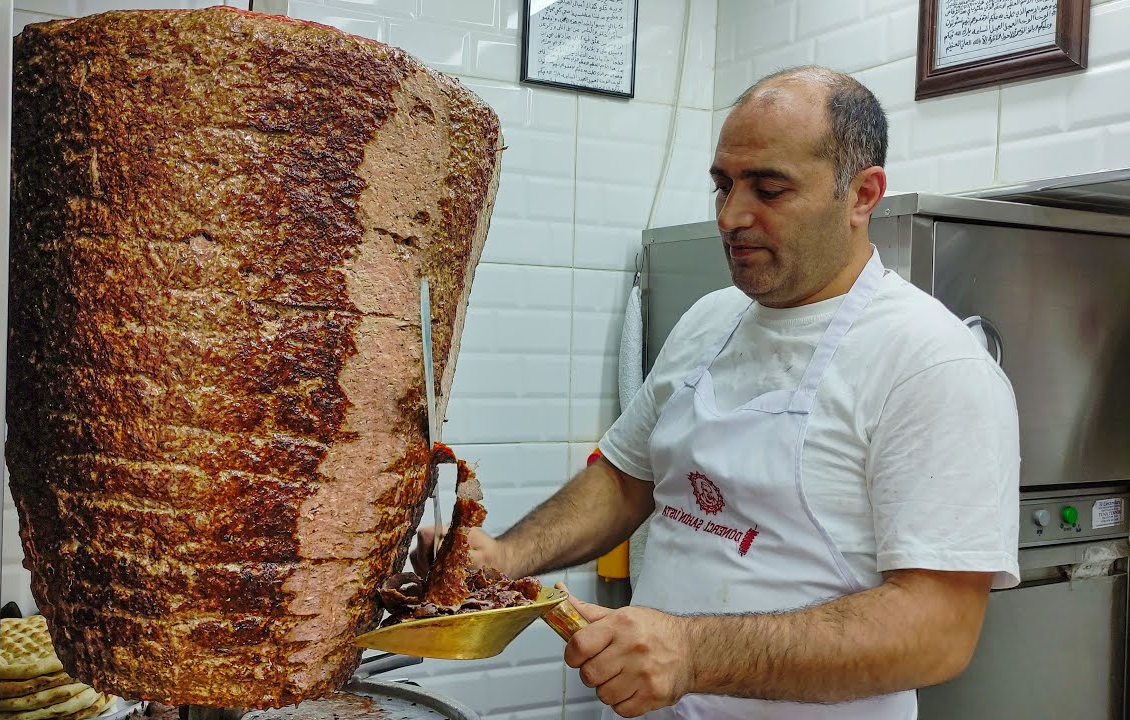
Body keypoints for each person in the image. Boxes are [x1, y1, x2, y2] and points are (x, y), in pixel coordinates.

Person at [412, 65, 1020, 719]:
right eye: (723, 185)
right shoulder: (710, 319)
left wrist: (693, 653)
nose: (731, 216)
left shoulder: (930, 364)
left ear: (862, 195)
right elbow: (626, 479)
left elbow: (938, 630)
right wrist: (507, 555)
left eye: (769, 189)